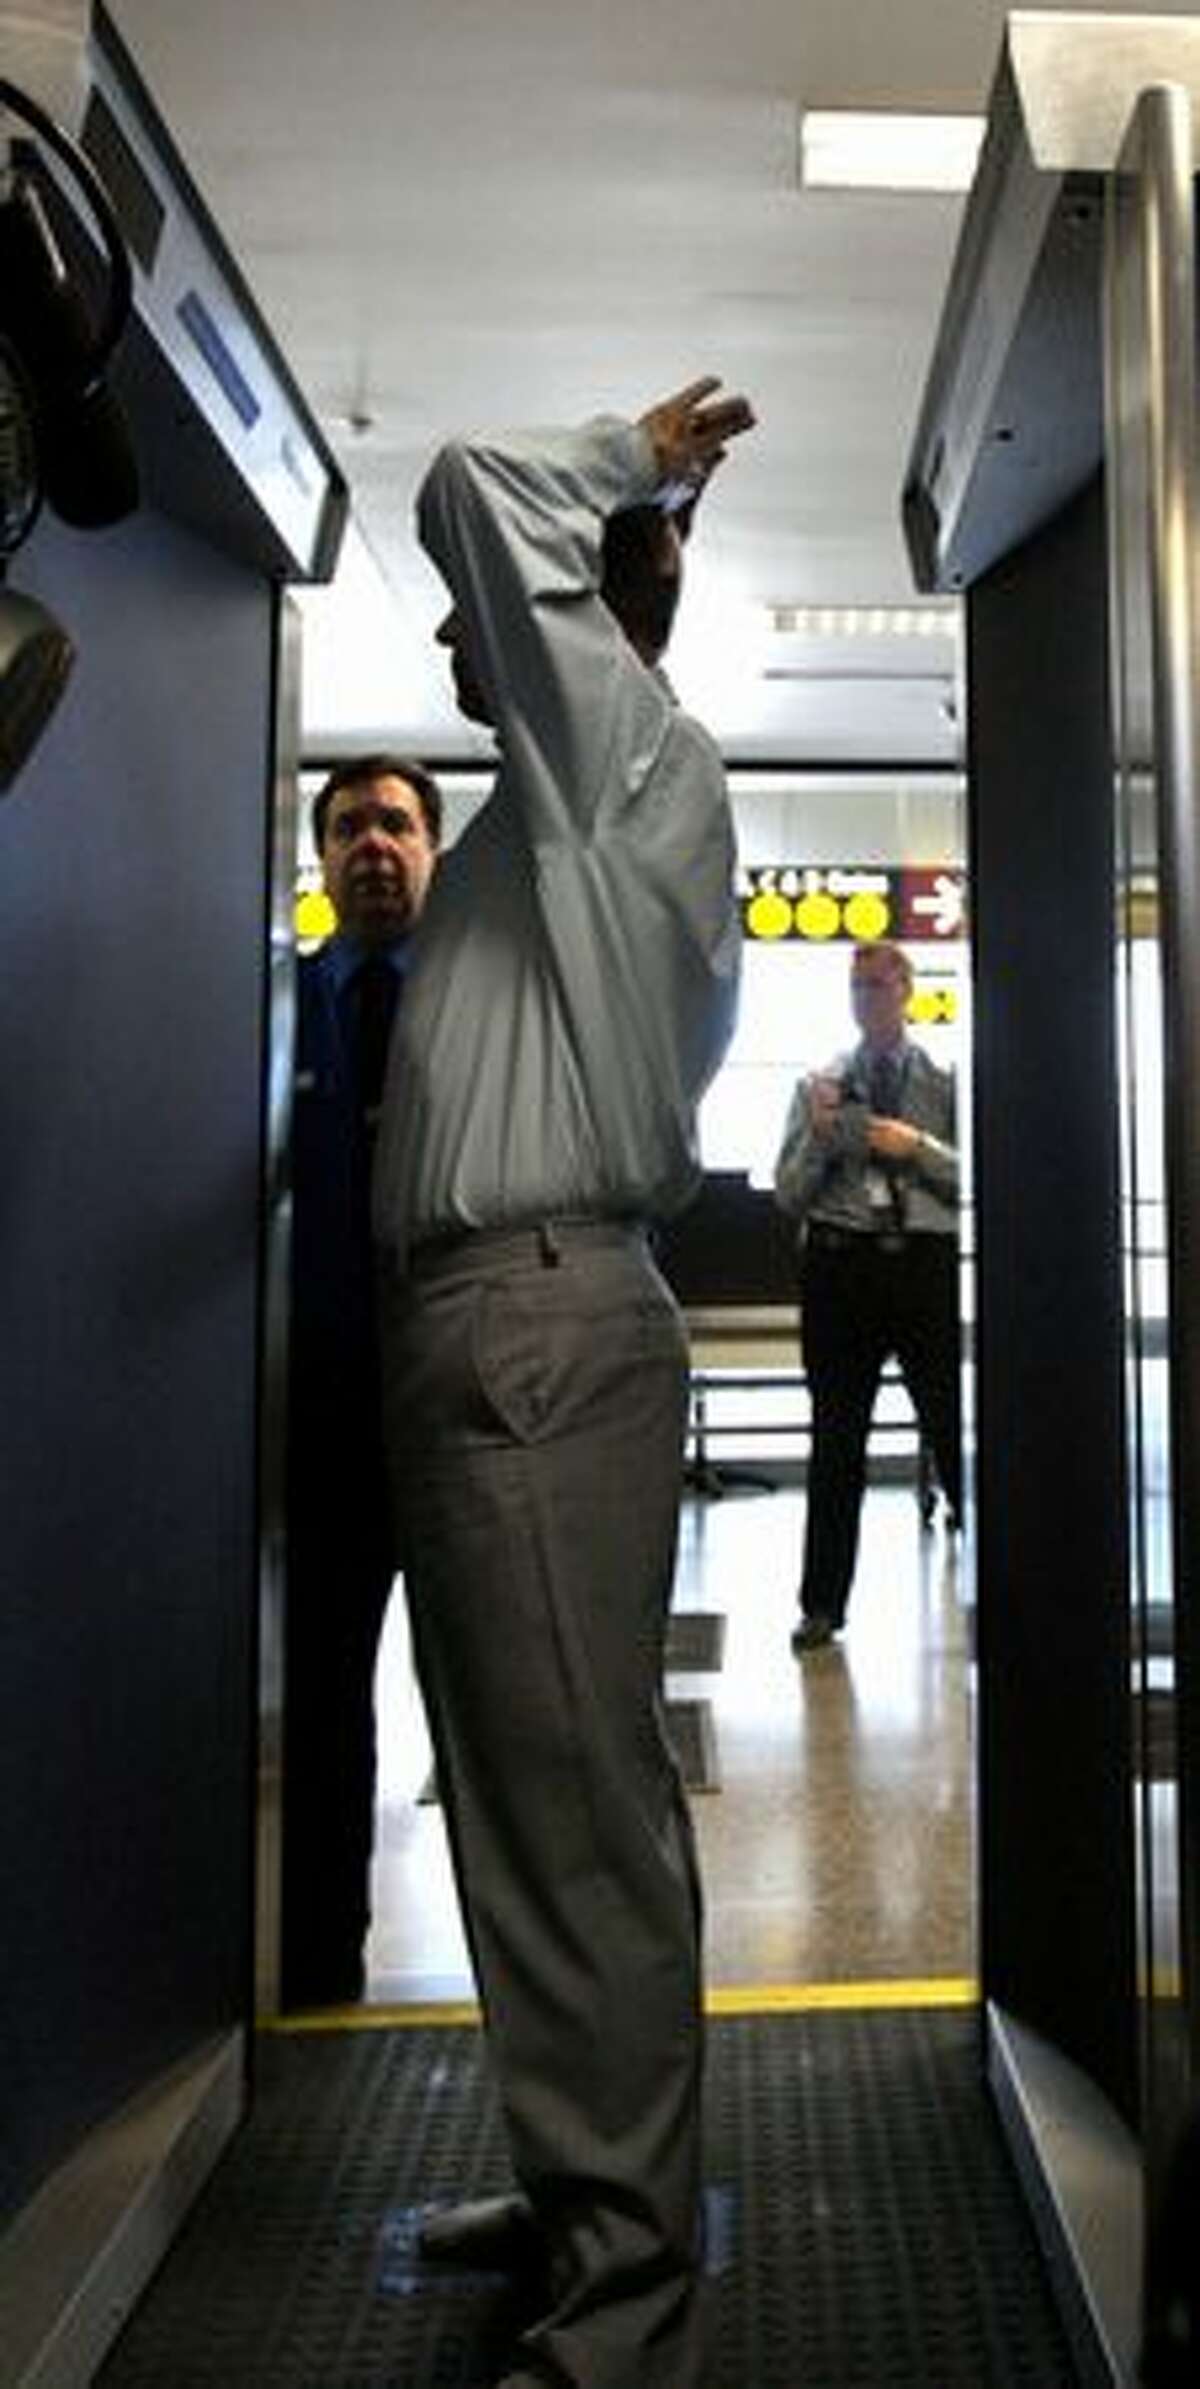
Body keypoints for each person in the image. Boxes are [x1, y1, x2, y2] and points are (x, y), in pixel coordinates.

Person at [372, 377, 755, 2389]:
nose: (455, 630)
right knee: (524, 1808)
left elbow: (467, 491)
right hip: (495, 1331)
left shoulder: (625, 761)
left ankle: (623, 2309)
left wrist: (635, 467)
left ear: (588, 614)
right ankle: (583, 2176)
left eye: (495, 613)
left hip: (535, 1329)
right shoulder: (562, 800)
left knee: (579, 1820)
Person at [280, 753, 441, 2009]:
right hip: (325, 1418)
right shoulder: (278, 1010)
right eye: (348, 828)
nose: (371, 845)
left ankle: (527, 2006)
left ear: (432, 848)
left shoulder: (476, 1003)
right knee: (326, 1706)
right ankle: (323, 1970)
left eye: (394, 824)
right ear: (321, 857)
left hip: (458, 1408)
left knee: (494, 1720)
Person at [774, 937, 961, 1656]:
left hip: (921, 1265)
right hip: (840, 1268)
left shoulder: (945, 1078)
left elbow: (975, 1176)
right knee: (836, 1441)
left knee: (953, 1427)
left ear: (906, 991)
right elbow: (788, 1192)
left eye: (878, 987)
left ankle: (997, 1586)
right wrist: (822, 1140)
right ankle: (822, 1604)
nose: (866, 1002)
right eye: (856, 989)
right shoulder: (818, 1083)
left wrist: (916, 1146)